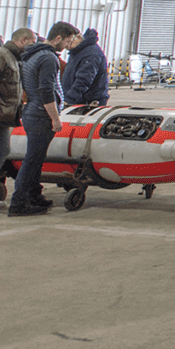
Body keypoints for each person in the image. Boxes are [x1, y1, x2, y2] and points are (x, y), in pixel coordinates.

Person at [8, 22, 78, 216]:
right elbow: (46, 90)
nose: (67, 45)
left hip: (32, 111)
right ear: (58, 38)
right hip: (41, 114)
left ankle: (33, 196)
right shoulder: (48, 58)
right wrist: (55, 118)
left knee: (36, 160)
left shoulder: (32, 54)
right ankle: (19, 203)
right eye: (67, 41)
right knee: (32, 161)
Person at [1, 28, 35, 191]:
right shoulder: (3, 56)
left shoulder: (14, 59)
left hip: (5, 118)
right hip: (1, 115)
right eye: (32, 43)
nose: (33, 46)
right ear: (23, 40)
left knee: (4, 151)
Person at [60, 27, 108, 106]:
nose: (66, 47)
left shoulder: (91, 53)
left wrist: (69, 99)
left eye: (68, 43)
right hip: (78, 100)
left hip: (89, 103)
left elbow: (84, 80)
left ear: (78, 37)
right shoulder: (76, 52)